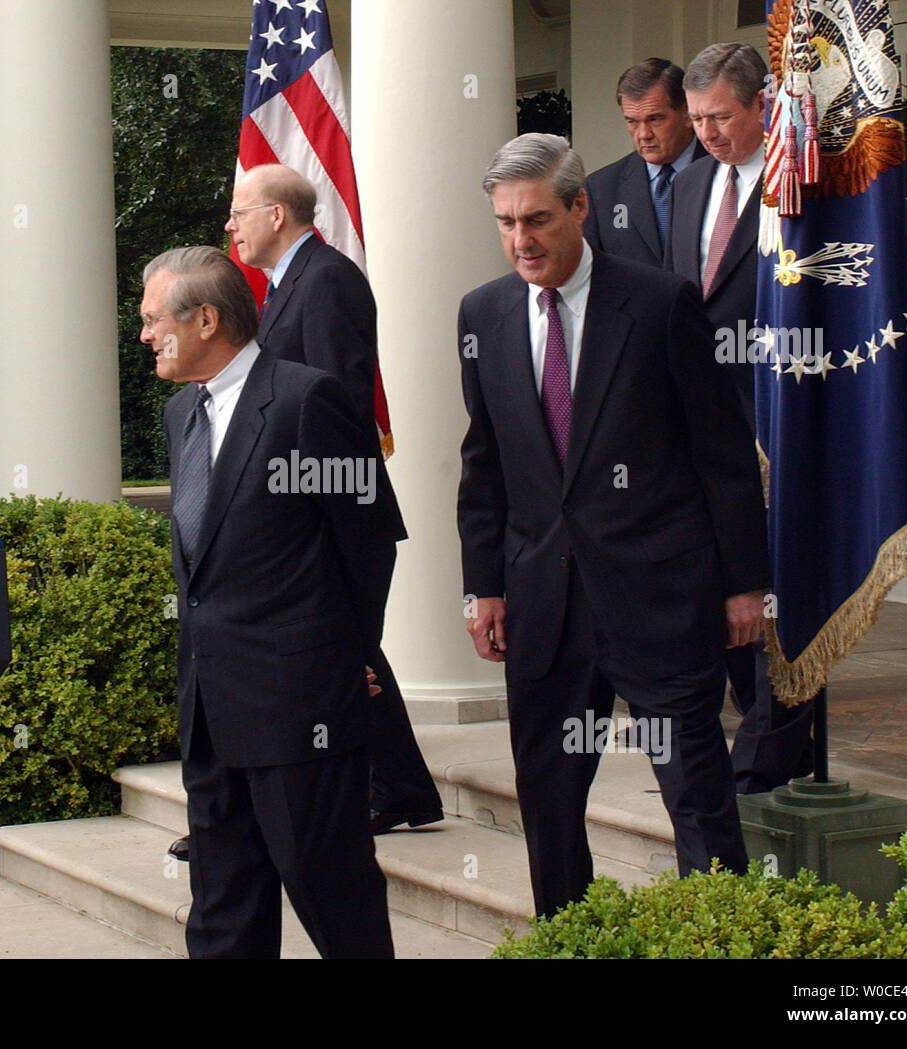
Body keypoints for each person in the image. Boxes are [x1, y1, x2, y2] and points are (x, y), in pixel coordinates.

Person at [457, 133, 769, 917]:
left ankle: (724, 934)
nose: (520, 241)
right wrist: (482, 587)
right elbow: (485, 464)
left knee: (696, 795)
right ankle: (570, 936)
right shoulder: (484, 315)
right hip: (543, 608)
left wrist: (743, 586)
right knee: (551, 802)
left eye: (536, 220)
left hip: (660, 599)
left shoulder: (661, 304)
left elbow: (722, 455)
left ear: (580, 207)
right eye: (505, 223)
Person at [145, 245, 399, 958]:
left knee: (332, 891)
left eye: (151, 319)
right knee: (222, 906)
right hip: (209, 708)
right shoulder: (179, 414)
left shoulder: (307, 398)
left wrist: (346, 658)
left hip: (300, 704)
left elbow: (370, 539)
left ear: (205, 319)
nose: (143, 335)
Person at [225, 162, 443, 835]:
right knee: (350, 648)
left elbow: (339, 405)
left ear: (277, 216)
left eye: (239, 209)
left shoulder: (326, 282)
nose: (230, 223)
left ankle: (394, 789)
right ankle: (401, 788)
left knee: (345, 647)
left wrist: (309, 508)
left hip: (338, 511)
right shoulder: (289, 285)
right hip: (315, 508)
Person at [669, 43, 814, 792]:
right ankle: (751, 717)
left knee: (784, 584)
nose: (708, 132)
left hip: (779, 413)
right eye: (697, 119)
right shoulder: (692, 185)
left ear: (762, 105)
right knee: (723, 580)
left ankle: (768, 754)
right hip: (700, 420)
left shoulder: (803, 185)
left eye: (721, 116)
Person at [583, 58, 708, 268]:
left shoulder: (727, 174)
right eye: (632, 121)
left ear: (688, 114)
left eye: (655, 119)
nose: (643, 135)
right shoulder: (600, 189)